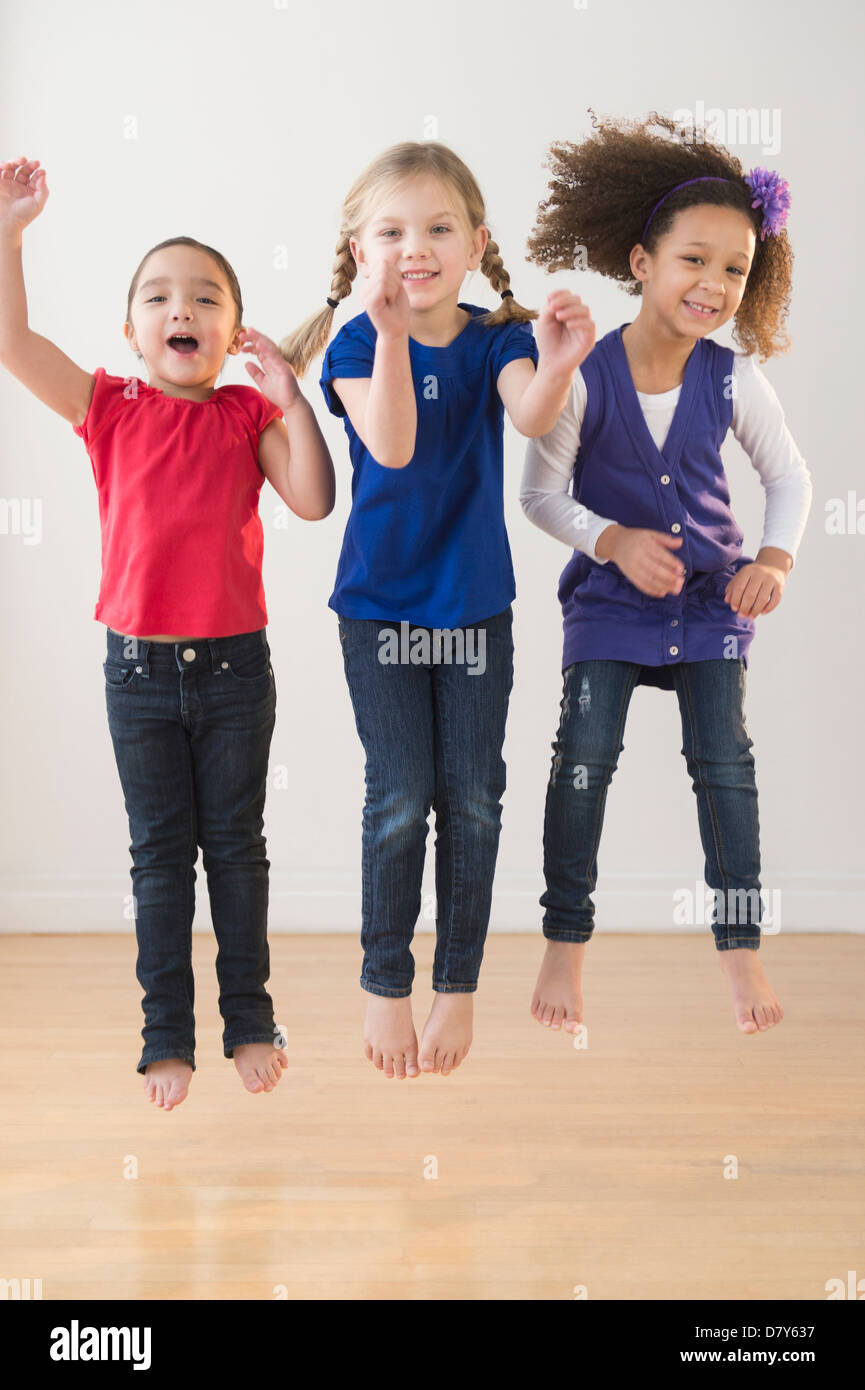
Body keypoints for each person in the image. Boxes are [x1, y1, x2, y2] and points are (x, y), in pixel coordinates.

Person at [0, 155, 335, 1109]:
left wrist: (290, 398)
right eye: (158, 295)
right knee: (159, 857)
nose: (178, 307)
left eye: (203, 297)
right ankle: (166, 1033)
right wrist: (10, 234)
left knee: (234, 848)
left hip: (235, 673)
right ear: (132, 330)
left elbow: (312, 500)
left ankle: (251, 1019)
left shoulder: (244, 414)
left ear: (231, 334)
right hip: (138, 675)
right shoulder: (108, 406)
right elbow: (11, 338)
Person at [280, 140, 595, 1078]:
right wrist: (385, 335)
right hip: (379, 611)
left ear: (474, 243)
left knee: (473, 798)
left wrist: (562, 361)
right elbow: (395, 442)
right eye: (391, 230)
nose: (414, 246)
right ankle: (387, 985)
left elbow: (531, 415)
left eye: (437, 228)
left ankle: (455, 988)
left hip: (472, 611)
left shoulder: (497, 334)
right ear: (360, 248)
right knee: (399, 797)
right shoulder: (348, 345)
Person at [519, 113, 812, 1035]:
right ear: (642, 263)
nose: (714, 284)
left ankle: (739, 951)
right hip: (607, 607)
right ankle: (564, 943)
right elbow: (538, 495)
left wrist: (770, 558)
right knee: (582, 760)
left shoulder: (732, 378)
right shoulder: (580, 373)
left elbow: (789, 476)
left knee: (723, 767)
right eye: (694, 260)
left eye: (734, 269)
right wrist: (609, 541)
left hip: (708, 606)